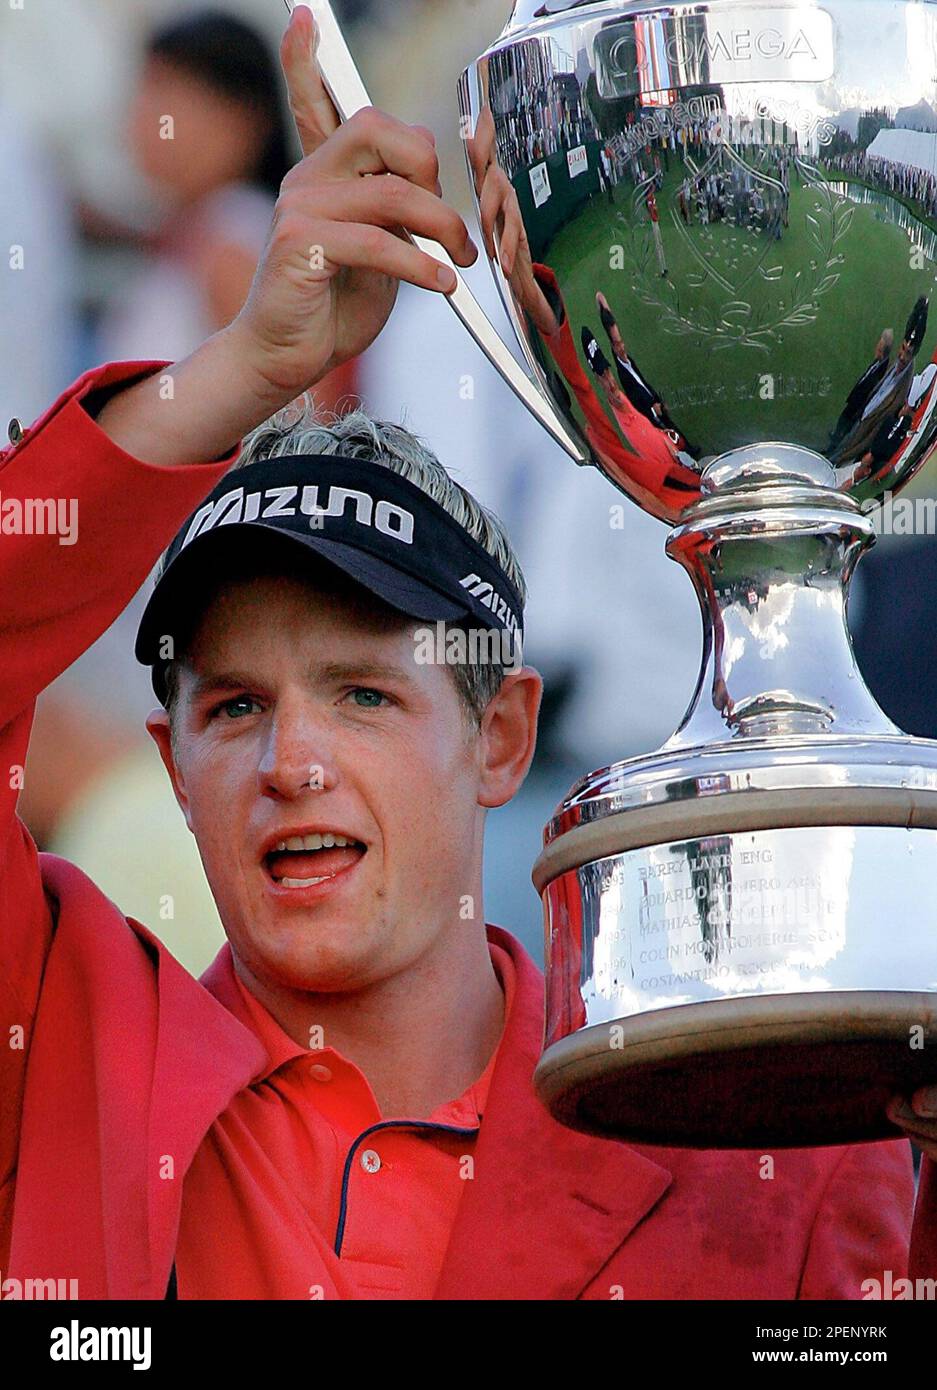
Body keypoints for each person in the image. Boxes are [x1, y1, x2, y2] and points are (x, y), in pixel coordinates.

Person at [4, 5, 937, 1301]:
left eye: (363, 691)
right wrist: (240, 371)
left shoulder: (767, 1132)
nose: (292, 761)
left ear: (500, 733)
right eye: (230, 707)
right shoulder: (57, 1045)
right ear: (167, 762)